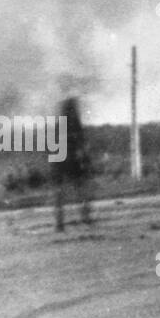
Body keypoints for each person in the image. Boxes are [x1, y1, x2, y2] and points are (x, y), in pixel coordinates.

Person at [53, 95, 93, 232]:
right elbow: (82, 143)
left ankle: (59, 223)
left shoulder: (58, 124)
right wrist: (85, 160)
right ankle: (85, 218)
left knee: (59, 192)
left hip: (59, 160)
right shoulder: (75, 124)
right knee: (81, 189)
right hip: (73, 160)